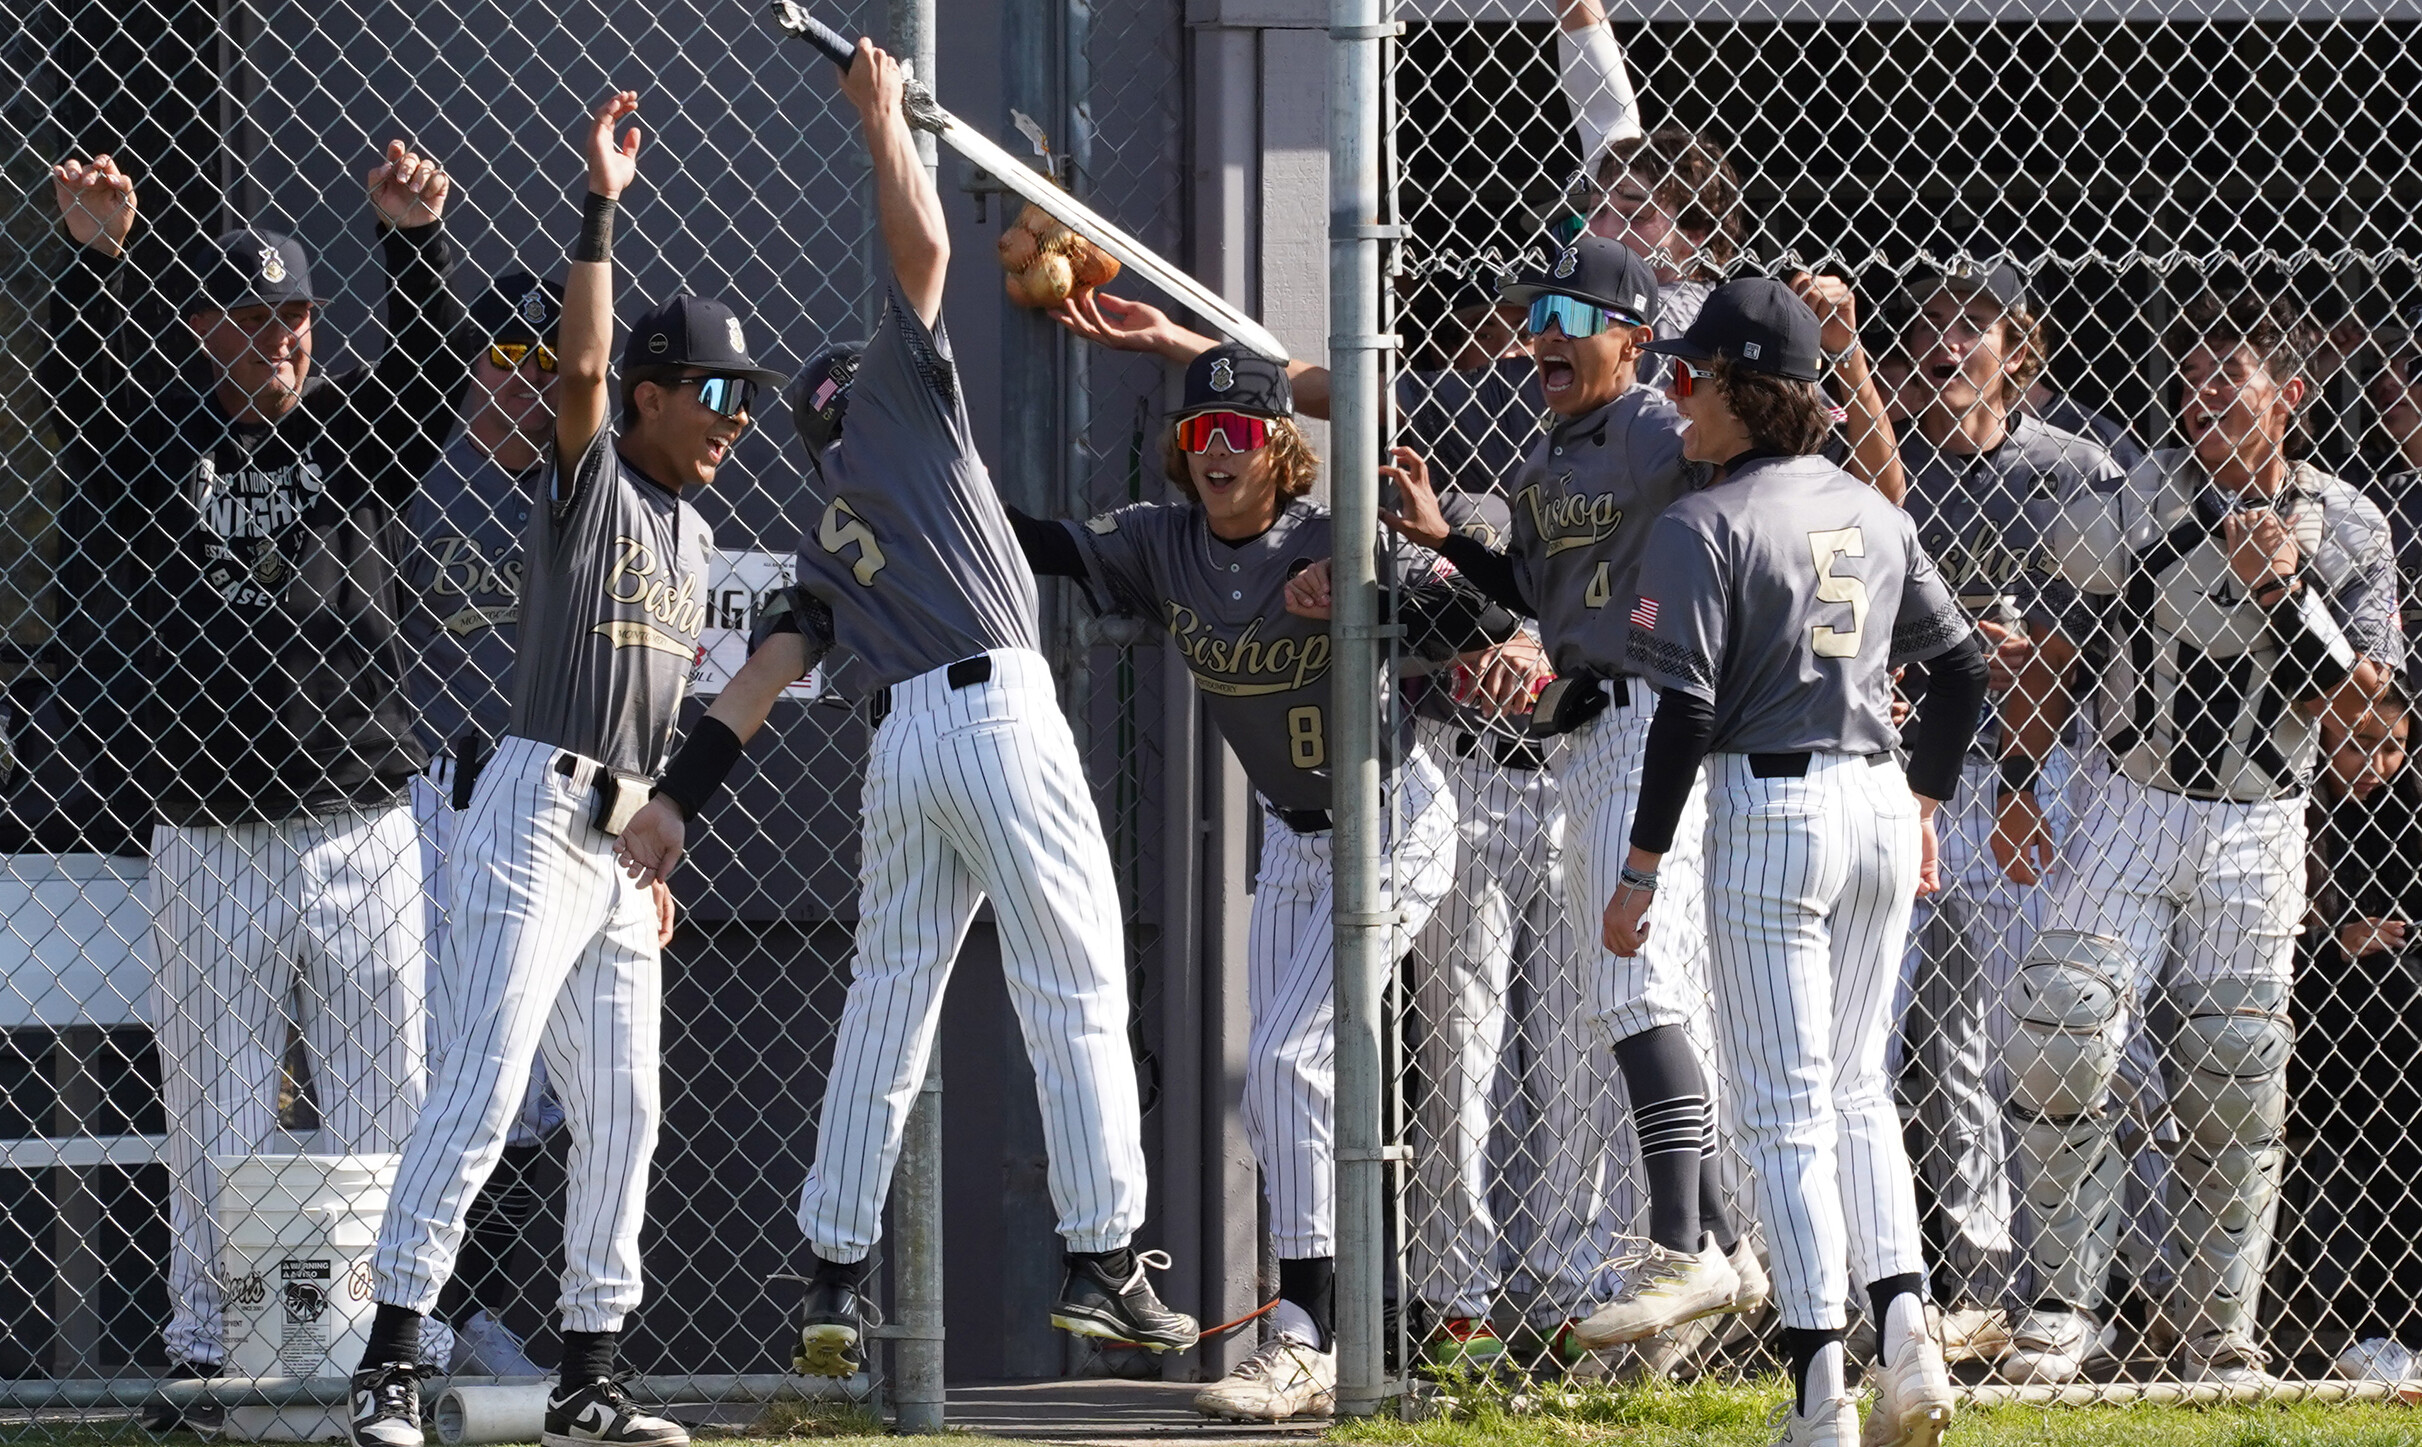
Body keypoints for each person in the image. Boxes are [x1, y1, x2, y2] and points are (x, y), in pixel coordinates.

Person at [609, 37, 1196, 1387]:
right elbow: (923, 256)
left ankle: (833, 1269)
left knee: (887, 1002)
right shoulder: (906, 410)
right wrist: (885, 124)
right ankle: (1104, 1258)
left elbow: (755, 680)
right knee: (1078, 979)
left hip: (903, 750)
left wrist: (673, 808)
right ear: (864, 396)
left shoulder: (827, 528)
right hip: (994, 715)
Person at [981, 342, 1513, 1408]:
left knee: (1284, 1057)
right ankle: (1309, 1327)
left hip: (1389, 814)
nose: (1214, 448)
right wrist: (916, 467)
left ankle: (1307, 1337)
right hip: (1289, 836)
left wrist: (1361, 600)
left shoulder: (1332, 535)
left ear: (1281, 447)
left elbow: (1486, 615)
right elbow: (1032, 542)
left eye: (1238, 431)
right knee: (1278, 1094)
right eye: (1197, 432)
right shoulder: (1162, 541)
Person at [45, 142, 460, 1416]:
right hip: (212, 830)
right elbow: (80, 388)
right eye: (250, 316)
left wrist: (410, 240)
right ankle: (209, 1342)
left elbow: (435, 379)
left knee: (386, 1096)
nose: (279, 337)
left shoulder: (350, 434)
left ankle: (400, 1338)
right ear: (205, 328)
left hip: (358, 823)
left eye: (294, 316)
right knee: (213, 1107)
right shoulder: (157, 443)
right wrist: (95, 260)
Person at [349, 90, 732, 1447]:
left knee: (625, 1106)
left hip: (618, 839)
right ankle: (391, 1356)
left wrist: (657, 831)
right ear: (645, 393)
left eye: (739, 396)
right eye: (708, 392)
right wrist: (600, 202)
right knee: (481, 1080)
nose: (728, 417)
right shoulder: (593, 485)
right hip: (523, 805)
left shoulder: (689, 537)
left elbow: (672, 714)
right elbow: (570, 379)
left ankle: (591, 1371)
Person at [1358, 238, 1768, 1367]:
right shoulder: (1554, 456)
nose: (1538, 329)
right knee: (1630, 992)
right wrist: (1445, 538)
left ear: (1632, 336)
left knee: (1636, 986)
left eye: (1563, 312)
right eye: (1529, 310)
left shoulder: (1651, 426)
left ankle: (1703, 1244)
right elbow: (1535, 590)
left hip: (1651, 713)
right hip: (1594, 732)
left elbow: (1754, 489)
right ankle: (1721, 1241)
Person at [1610, 278, 1985, 1447]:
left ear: (1746, 391)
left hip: (1775, 807)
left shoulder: (1701, 519)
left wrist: (1637, 868)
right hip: (1878, 797)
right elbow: (1965, 670)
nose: (1677, 397)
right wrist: (1923, 798)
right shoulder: (1873, 509)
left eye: (1692, 379)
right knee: (1858, 1087)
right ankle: (1908, 1337)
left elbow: (1681, 712)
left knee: (1781, 1115)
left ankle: (1820, 1391)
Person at [2018, 290, 2404, 1386]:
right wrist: (2009, 775)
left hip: (2259, 819)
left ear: (2286, 396)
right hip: (2132, 800)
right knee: (2060, 1026)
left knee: (2233, 1068)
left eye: (2224, 387)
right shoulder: (2136, 494)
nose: (2200, 406)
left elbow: (2365, 707)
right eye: (2187, 386)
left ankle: (2216, 1324)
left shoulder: (2348, 525)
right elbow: (2058, 596)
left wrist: (2284, 591)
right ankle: (2063, 1304)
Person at [1886, 259, 2126, 1354]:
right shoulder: (1885, 474)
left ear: (2016, 351)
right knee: (1931, 1045)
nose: (1943, 346)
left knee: (2028, 1036)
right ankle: (1977, 1274)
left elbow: (2127, 635)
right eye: (1926, 325)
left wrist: (2053, 668)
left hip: (2045, 779)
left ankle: (2066, 1278)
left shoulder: (2077, 471)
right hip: (1914, 775)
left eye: (1966, 325)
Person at [400, 271, 579, 1378]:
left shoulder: (583, 488)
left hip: (544, 799)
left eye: (551, 365)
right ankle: (402, 1303)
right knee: (418, 1059)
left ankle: (474, 1310)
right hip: (425, 793)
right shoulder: (418, 471)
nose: (530, 384)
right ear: (471, 362)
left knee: (530, 1080)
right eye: (509, 357)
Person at [2289, 686, 2421, 1381]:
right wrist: (2338, 940)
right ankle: (2384, 1319)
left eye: (2390, 745)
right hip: (2313, 1005)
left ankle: (2394, 1318)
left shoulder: (2410, 806)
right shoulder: (2291, 803)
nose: (2372, 761)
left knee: (2400, 999)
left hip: (2391, 1013)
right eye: (2352, 743)